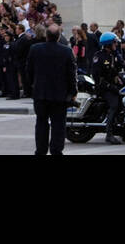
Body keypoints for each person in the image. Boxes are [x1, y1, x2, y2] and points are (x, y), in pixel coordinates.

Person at [26, 22, 77, 155]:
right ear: (59, 37)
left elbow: (29, 71)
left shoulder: (35, 49)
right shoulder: (66, 51)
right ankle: (56, 150)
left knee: (41, 123)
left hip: (40, 93)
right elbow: (71, 73)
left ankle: (41, 150)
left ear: (46, 36)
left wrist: (33, 86)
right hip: (59, 95)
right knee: (58, 125)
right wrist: (73, 92)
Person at [91, 31, 125, 144]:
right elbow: (97, 77)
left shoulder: (112, 55)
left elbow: (119, 66)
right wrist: (110, 86)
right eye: (114, 43)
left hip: (112, 85)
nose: (116, 45)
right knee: (114, 104)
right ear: (108, 44)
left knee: (124, 101)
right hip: (103, 87)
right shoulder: (99, 56)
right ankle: (109, 134)